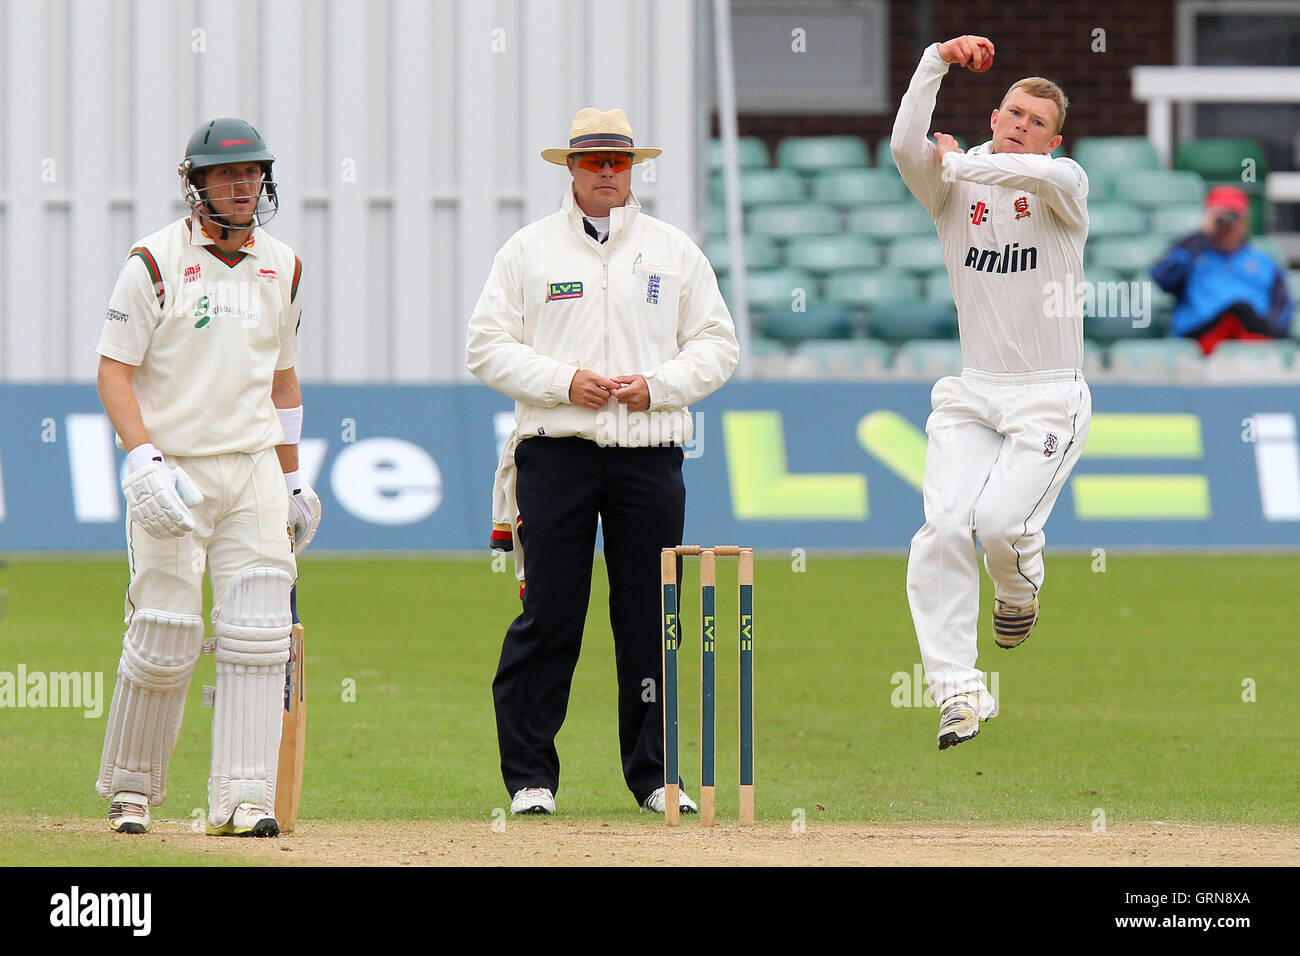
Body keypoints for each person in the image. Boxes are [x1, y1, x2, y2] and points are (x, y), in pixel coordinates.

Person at [466, 107, 738, 815]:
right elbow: (486, 346)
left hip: (648, 456)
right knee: (552, 614)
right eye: (594, 162)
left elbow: (717, 346)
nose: (608, 173)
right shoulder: (528, 251)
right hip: (556, 453)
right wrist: (563, 382)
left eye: (619, 161)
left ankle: (653, 777)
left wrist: (658, 387)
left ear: (634, 168)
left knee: (649, 617)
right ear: (571, 169)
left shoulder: (673, 251)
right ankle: (530, 779)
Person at [94, 117, 322, 836]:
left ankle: (241, 798)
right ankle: (131, 790)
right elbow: (113, 370)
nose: (242, 185)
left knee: (258, 633)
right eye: (227, 175)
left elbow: (283, 384)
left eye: (252, 173)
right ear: (195, 184)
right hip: (176, 471)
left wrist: (291, 481)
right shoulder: (153, 261)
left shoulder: (283, 266)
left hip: (251, 465)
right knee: (164, 629)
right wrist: (142, 460)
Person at [891, 36, 1093, 749]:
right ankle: (958, 695)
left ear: (1054, 138)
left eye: (1035, 121)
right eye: (1011, 112)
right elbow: (903, 144)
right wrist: (935, 60)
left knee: (1002, 528)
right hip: (973, 393)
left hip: (1048, 395)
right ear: (993, 115)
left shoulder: (1065, 185)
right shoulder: (953, 187)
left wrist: (962, 157)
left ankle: (1018, 588)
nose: (1019, 126)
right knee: (944, 527)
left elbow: (1022, 174)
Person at [1150, 185, 1292, 354]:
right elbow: (1161, 276)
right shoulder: (1191, 256)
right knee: (1235, 313)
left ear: (1245, 222)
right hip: (1201, 341)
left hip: (1254, 341)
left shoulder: (1265, 262)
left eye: (1234, 218)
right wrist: (1202, 233)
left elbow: (1281, 313)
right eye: (1220, 220)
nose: (1227, 227)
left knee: (1241, 312)